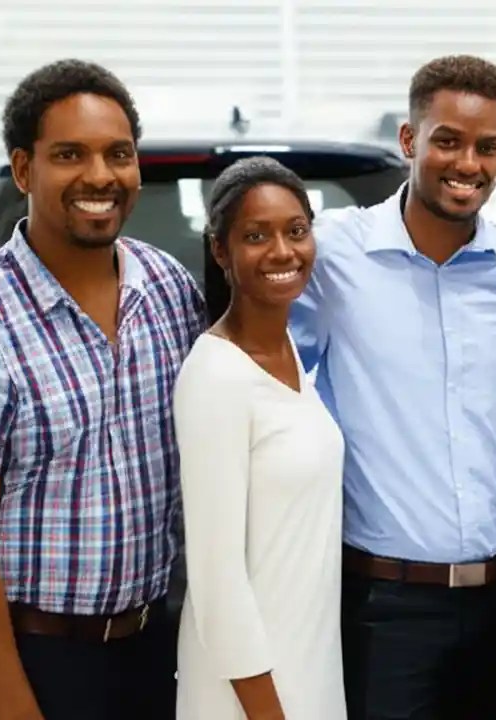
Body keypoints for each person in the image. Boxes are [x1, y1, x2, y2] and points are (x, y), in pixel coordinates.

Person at [289, 55, 496, 720]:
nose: (468, 162)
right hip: (385, 607)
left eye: (487, 147)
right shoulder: (332, 257)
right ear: (410, 142)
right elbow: (265, 373)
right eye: (448, 140)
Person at [0, 59, 206, 720]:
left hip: (160, 648)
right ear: (23, 170)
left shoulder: (168, 289)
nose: (100, 176)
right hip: (39, 661)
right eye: (70, 155)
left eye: (117, 154)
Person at [173, 157, 346, 719]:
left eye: (296, 231)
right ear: (221, 251)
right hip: (248, 692)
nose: (282, 252)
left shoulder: (288, 350)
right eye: (256, 236)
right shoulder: (215, 375)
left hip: (308, 663)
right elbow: (217, 581)